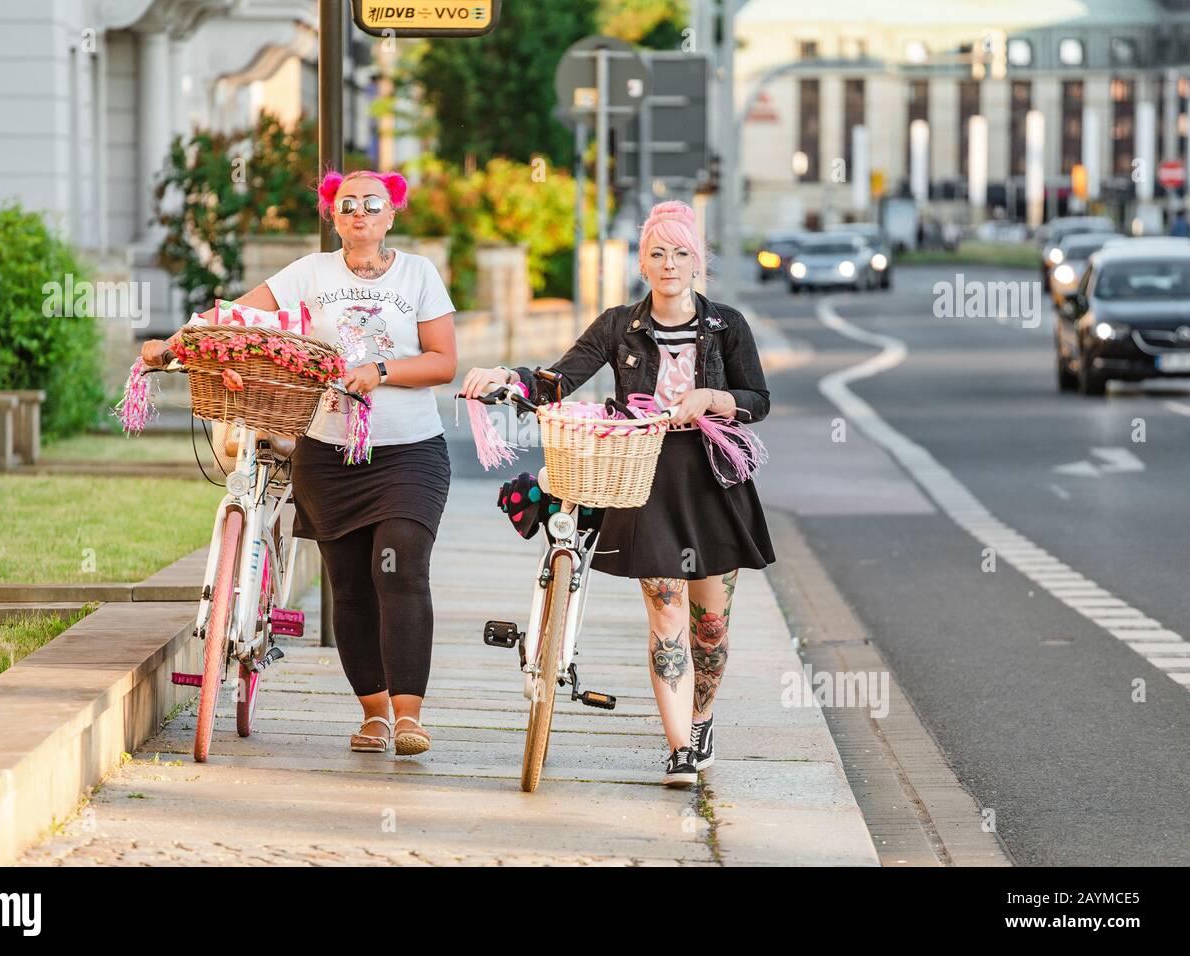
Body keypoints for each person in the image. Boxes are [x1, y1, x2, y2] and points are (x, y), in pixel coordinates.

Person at [460, 201, 776, 787]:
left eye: (681, 253)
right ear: (642, 261)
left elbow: (757, 398)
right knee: (666, 613)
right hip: (643, 479)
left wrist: (714, 400)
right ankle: (680, 746)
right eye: (658, 253)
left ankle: (701, 720)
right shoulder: (618, 325)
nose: (669, 264)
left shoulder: (726, 325)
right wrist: (508, 378)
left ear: (698, 261)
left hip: (711, 484)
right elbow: (558, 379)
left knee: (711, 626)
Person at [142, 170, 457, 756]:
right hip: (329, 453)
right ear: (332, 217)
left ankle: (409, 716)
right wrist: (176, 341)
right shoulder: (310, 273)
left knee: (401, 566)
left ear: (392, 214)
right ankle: (374, 714)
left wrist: (380, 372)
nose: (358, 214)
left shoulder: (419, 273)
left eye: (371, 205)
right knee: (350, 586)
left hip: (409, 450)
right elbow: (236, 318)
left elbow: (443, 363)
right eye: (346, 206)